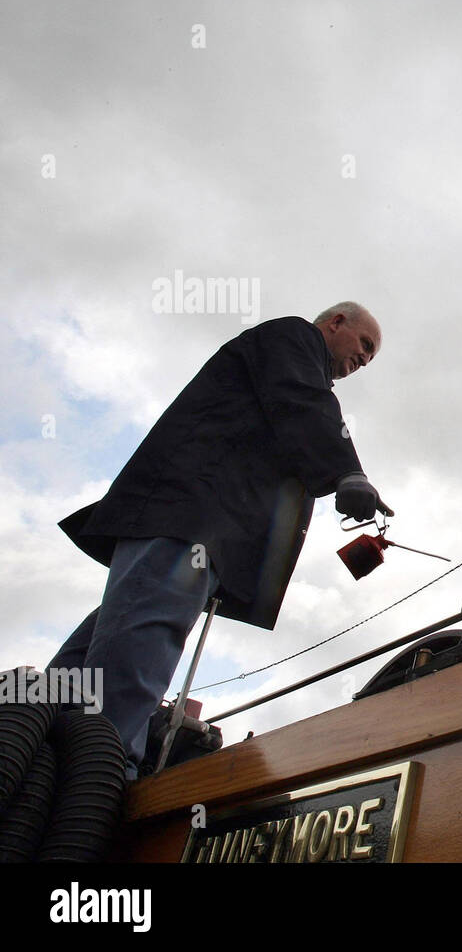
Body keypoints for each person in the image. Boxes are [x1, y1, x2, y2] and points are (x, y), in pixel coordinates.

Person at [49, 301, 393, 779]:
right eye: (364, 346)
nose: (363, 362)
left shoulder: (286, 363)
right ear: (336, 323)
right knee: (143, 633)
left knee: (115, 631)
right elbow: (301, 401)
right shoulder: (293, 339)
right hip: (190, 519)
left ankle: (33, 749)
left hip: (189, 527)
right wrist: (346, 472)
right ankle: (101, 774)